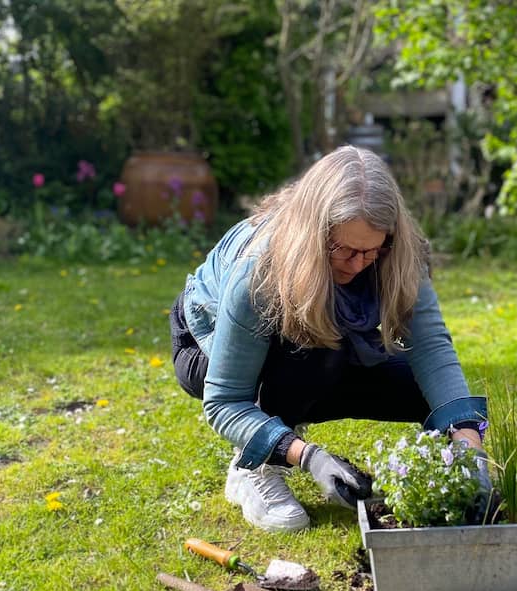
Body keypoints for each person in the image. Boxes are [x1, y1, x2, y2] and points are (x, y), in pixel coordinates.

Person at [169, 146, 488, 532]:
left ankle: (284, 422)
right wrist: (307, 456)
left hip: (326, 347)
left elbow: (433, 350)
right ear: (313, 234)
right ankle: (253, 467)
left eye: (372, 250)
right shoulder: (260, 272)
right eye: (344, 249)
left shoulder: (398, 255)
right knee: (315, 356)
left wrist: (468, 444)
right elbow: (224, 401)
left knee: (426, 392)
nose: (358, 264)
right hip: (210, 348)